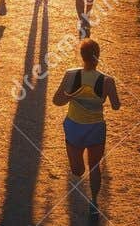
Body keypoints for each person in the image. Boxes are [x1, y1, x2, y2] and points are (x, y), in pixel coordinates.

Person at [51, 38, 119, 211]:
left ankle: (94, 201)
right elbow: (116, 106)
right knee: (95, 166)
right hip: (96, 128)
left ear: (82, 56)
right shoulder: (107, 81)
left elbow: (56, 101)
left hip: (74, 127)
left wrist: (72, 96)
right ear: (98, 56)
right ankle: (94, 201)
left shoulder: (71, 75)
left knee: (77, 170)